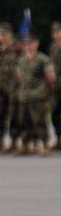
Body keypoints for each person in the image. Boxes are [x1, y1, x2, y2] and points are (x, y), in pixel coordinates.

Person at [16, 35, 55, 155]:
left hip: (38, 95)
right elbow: (19, 76)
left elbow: (51, 77)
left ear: (36, 44)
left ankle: (45, 144)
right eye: (26, 44)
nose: (27, 46)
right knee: (24, 120)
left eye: (30, 43)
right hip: (25, 94)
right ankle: (26, 145)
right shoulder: (22, 60)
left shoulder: (43, 59)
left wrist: (43, 89)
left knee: (39, 121)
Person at [0, 23, 18, 153]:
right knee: (0, 113)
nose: (1, 37)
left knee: (13, 114)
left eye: (4, 35)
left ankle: (14, 141)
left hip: (13, 87)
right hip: (0, 86)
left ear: (10, 35)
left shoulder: (16, 50)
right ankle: (0, 139)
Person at [49, 22, 61, 150]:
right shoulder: (53, 47)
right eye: (54, 33)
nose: (56, 35)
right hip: (56, 85)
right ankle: (58, 138)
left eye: (58, 32)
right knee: (55, 112)